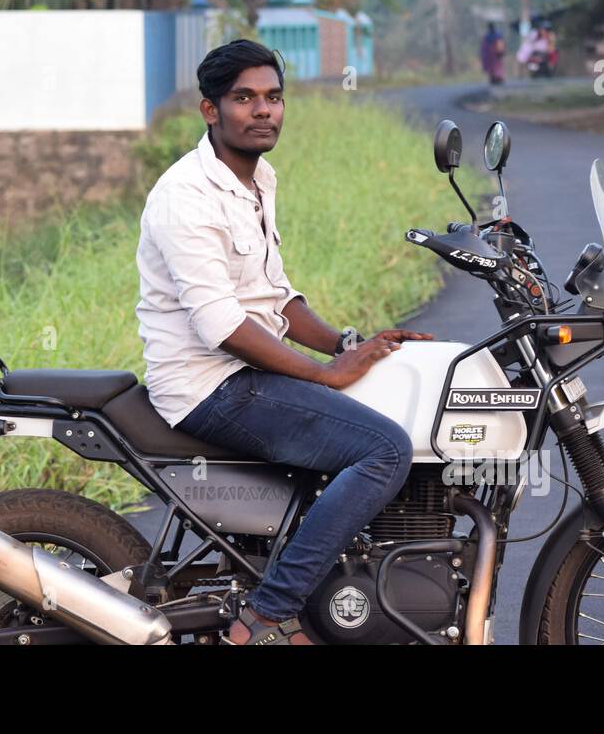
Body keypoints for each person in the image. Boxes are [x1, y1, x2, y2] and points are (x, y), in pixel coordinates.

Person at [134, 38, 434, 645]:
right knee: (384, 450)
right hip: (211, 384)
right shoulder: (185, 195)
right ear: (210, 110)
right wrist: (324, 375)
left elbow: (276, 299)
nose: (263, 110)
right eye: (244, 98)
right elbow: (220, 324)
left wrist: (348, 343)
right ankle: (268, 615)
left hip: (240, 375)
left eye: (273, 97)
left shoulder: (256, 178)